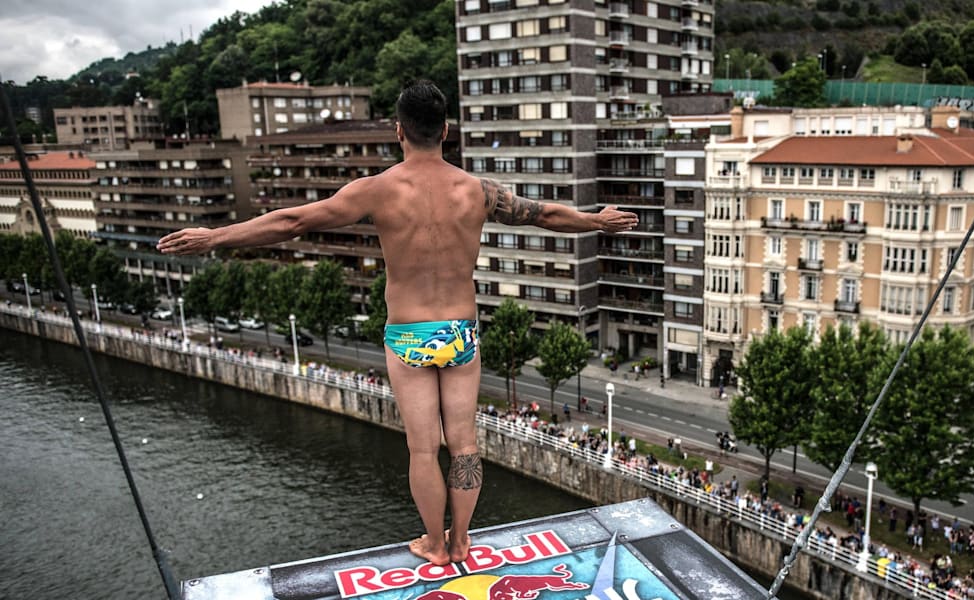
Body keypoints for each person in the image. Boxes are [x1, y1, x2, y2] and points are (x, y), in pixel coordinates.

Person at [157, 80, 638, 566]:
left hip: (407, 334)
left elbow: (292, 222)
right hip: (459, 334)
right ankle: (463, 539)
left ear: (398, 132)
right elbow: (546, 215)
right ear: (446, 131)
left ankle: (434, 545)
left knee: (423, 448)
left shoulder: (377, 190)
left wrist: (215, 236)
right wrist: (597, 220)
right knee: (465, 444)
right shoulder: (477, 191)